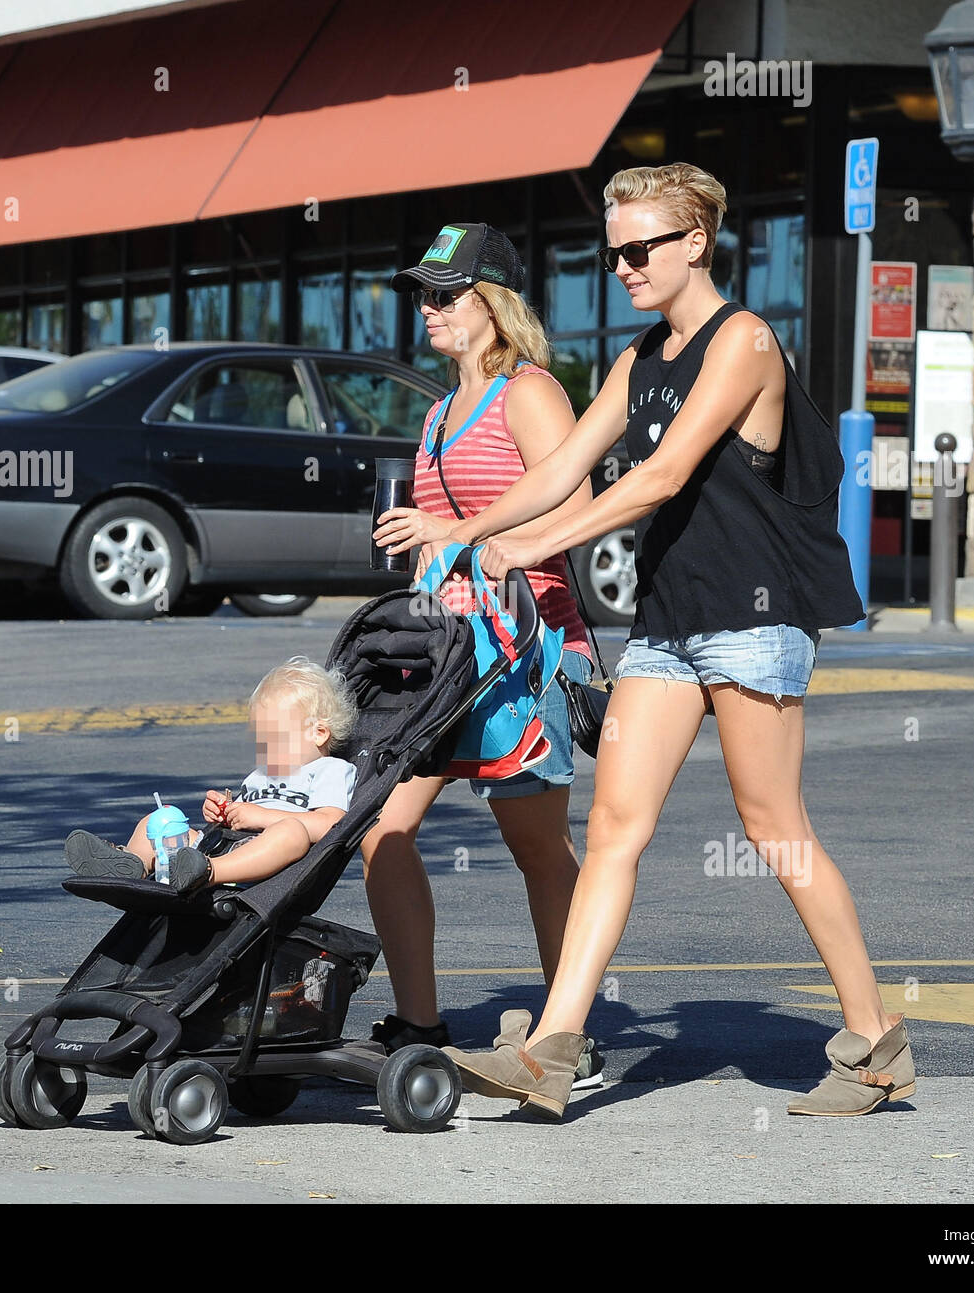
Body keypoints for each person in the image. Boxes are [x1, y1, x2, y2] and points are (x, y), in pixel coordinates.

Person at [423, 165, 913, 1120]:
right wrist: (468, 532)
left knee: (776, 831)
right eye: (612, 254)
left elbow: (659, 476)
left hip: (753, 620)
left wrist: (530, 545)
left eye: (641, 248)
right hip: (669, 624)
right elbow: (568, 463)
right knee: (614, 827)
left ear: (696, 242)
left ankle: (876, 1040)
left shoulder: (745, 343)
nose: (624, 267)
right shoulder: (642, 355)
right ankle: (555, 1048)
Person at [363, 222, 602, 1087]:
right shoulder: (437, 410)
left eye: (444, 293)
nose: (427, 308)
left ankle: (570, 1027)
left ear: (493, 304)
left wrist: (457, 531)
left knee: (538, 849)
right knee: (380, 825)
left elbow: (575, 511)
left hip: (525, 648)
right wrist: (424, 551)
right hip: (445, 653)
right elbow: (448, 537)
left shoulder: (528, 393)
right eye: (422, 293)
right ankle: (419, 1021)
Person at [65, 657, 358, 893]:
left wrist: (261, 817)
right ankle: (133, 866)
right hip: (215, 848)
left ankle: (208, 873)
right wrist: (223, 810)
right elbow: (242, 813)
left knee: (291, 832)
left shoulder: (330, 769)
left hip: (264, 860)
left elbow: (331, 825)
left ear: (318, 733)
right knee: (159, 819)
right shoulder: (262, 774)